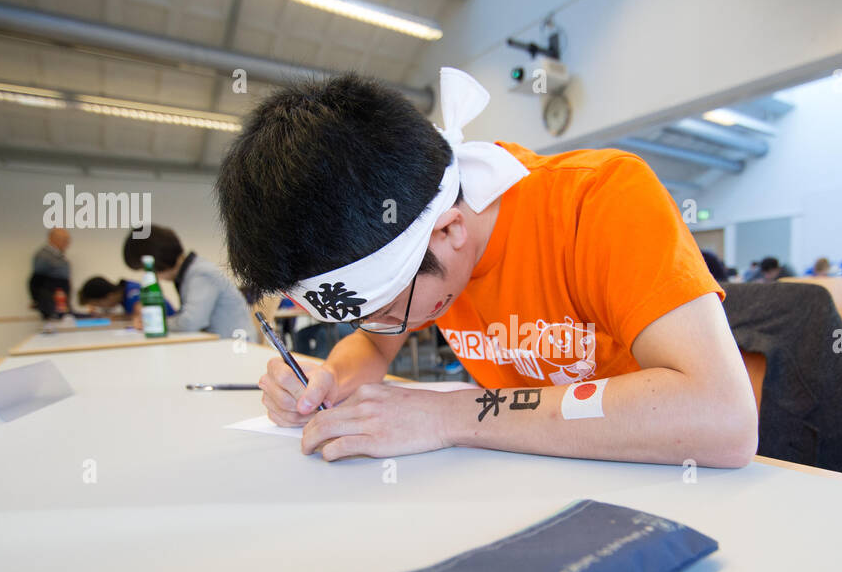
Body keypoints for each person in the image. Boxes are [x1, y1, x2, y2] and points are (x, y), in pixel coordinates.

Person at [216, 68, 757, 467]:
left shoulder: (599, 199)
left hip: (650, 472)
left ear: (448, 230)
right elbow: (375, 345)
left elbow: (723, 419)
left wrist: (449, 414)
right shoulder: (419, 253)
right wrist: (329, 380)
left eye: (388, 309)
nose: (386, 327)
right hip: (519, 468)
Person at [122, 226, 254, 339]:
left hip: (237, 346)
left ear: (157, 262)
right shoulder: (189, 273)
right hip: (222, 343)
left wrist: (152, 323)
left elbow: (191, 322)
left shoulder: (201, 273)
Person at [78, 276, 176, 318]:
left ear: (110, 296)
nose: (102, 307)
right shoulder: (123, 294)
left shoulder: (132, 292)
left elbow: (141, 313)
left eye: (98, 304)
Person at [28, 227, 71, 318]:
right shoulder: (44, 256)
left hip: (60, 301)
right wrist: (38, 300)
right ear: (52, 239)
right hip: (51, 302)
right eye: (64, 240)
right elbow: (36, 280)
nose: (67, 244)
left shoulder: (59, 255)